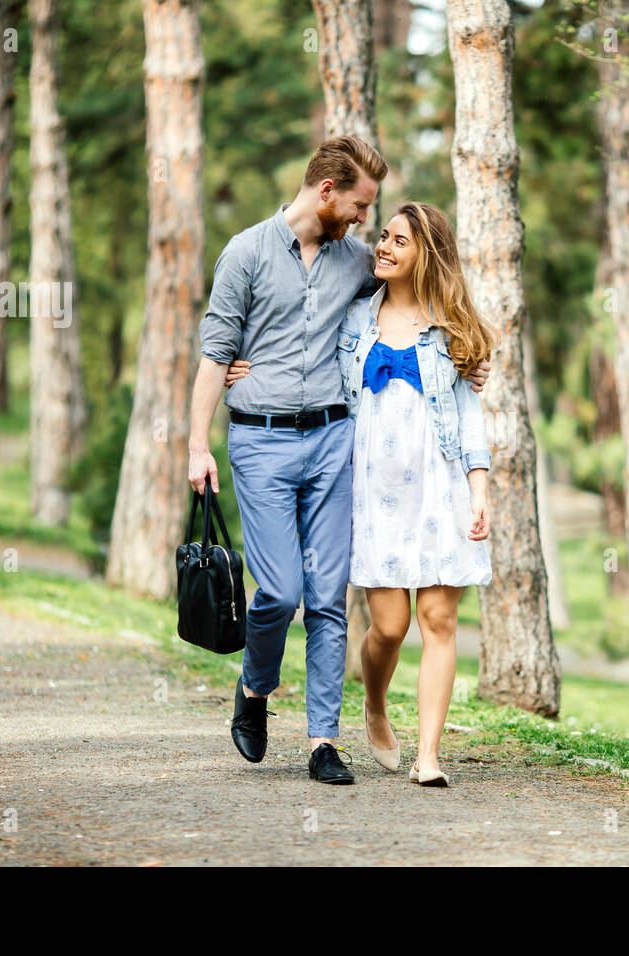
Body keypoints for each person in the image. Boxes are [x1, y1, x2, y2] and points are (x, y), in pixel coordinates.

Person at [187, 136, 490, 785]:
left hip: (332, 443)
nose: (364, 222)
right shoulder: (245, 252)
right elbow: (216, 352)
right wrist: (196, 443)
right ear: (327, 192)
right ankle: (254, 686)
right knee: (282, 592)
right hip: (260, 441)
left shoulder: (358, 264)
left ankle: (324, 740)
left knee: (327, 596)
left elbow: (423, 303)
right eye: (359, 206)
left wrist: (470, 359)